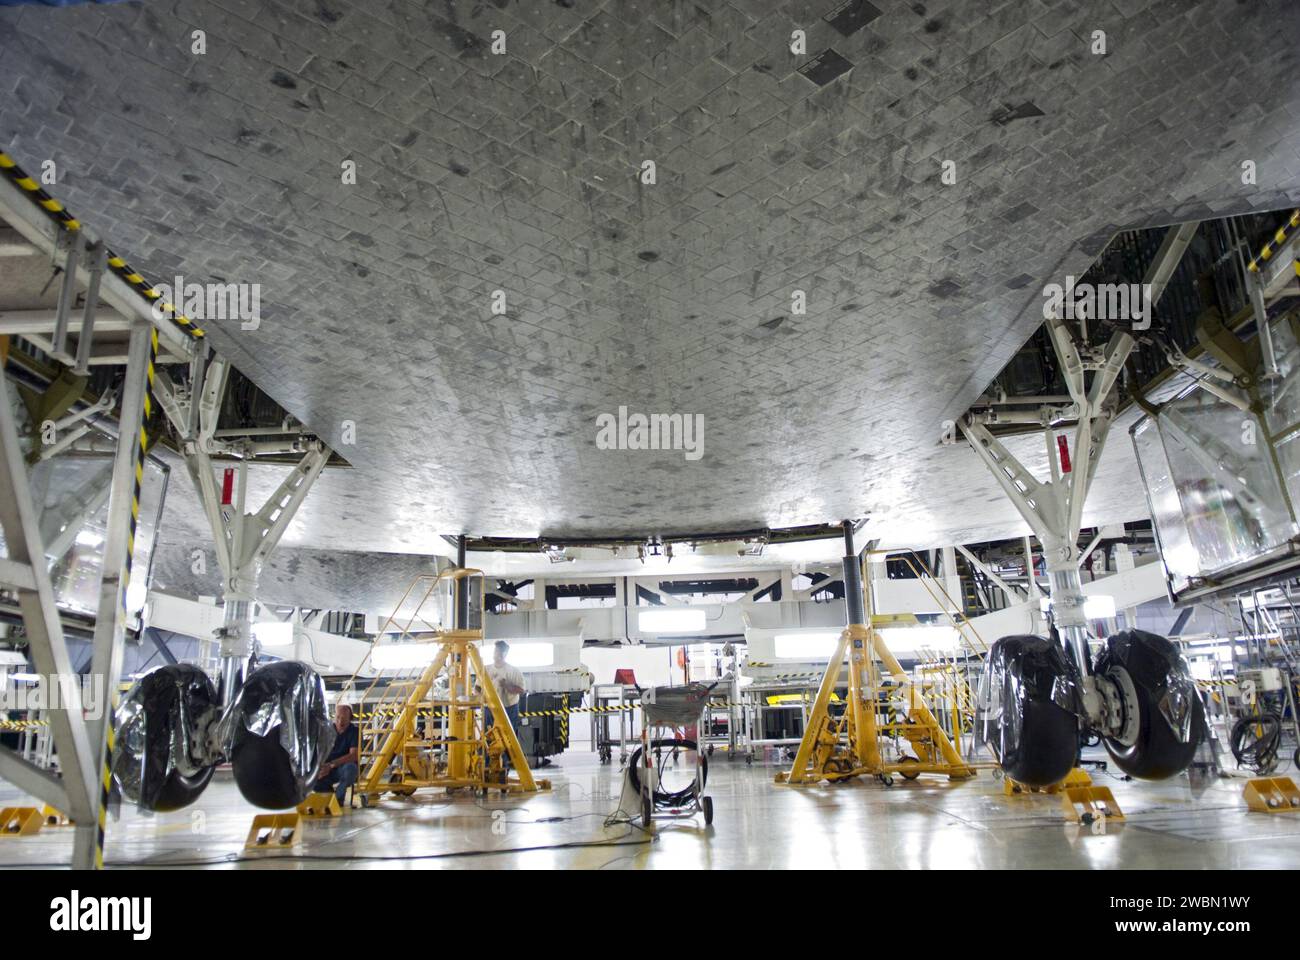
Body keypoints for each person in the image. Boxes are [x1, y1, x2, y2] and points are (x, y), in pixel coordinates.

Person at [312, 703, 358, 803]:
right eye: (338, 717)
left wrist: (331, 765)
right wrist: (319, 767)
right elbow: (319, 751)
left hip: (342, 767)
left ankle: (337, 800)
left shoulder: (354, 731)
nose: (340, 721)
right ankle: (330, 797)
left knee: (351, 770)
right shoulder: (327, 731)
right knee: (313, 778)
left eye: (344, 718)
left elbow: (353, 755)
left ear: (350, 718)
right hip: (327, 767)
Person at [484, 641, 525, 731]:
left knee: (509, 737)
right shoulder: (486, 669)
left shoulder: (514, 671)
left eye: (499, 651)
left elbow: (521, 691)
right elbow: (478, 687)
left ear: (505, 654)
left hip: (509, 709)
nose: (496, 653)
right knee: (490, 735)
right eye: (495, 651)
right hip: (490, 708)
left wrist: (507, 686)